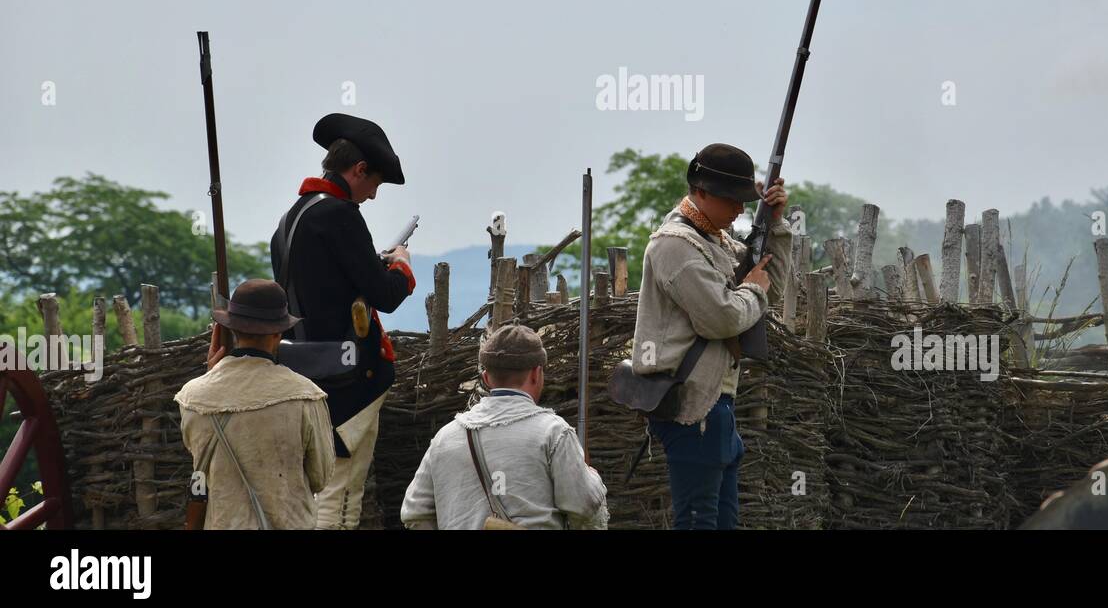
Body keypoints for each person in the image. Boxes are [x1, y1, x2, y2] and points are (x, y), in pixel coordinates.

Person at [265, 112, 418, 529]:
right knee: (341, 492)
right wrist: (401, 266)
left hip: (305, 369)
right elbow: (385, 297)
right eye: (374, 184)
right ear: (359, 169)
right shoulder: (340, 215)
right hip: (349, 377)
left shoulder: (291, 218)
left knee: (315, 490)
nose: (372, 196)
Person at [632, 142, 791, 529]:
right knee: (699, 521)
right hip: (693, 406)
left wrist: (776, 225)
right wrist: (752, 289)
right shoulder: (675, 244)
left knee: (722, 522)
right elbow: (722, 318)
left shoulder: (715, 242)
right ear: (701, 192)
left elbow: (776, 288)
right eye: (731, 200)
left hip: (717, 403)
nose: (739, 209)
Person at [400, 324, 608, 530]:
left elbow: (414, 512)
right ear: (537, 373)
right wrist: (593, 479)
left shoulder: (445, 438)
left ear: (486, 378)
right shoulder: (553, 432)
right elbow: (584, 508)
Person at [177, 279, 334, 529]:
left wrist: (211, 376)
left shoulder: (191, 397)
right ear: (278, 333)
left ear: (233, 330)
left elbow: (198, 457)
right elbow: (321, 476)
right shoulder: (306, 395)